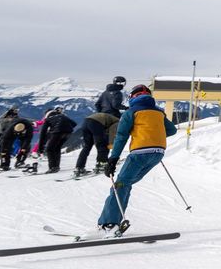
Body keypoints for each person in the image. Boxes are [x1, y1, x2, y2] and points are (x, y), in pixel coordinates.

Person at [97, 84, 177, 232]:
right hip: (158, 154)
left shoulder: (131, 112)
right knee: (125, 183)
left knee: (120, 185)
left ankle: (109, 224)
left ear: (132, 97)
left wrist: (113, 159)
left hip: (140, 153)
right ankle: (113, 220)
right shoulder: (159, 112)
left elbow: (121, 136)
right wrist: (152, 133)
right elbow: (172, 130)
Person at [75, 111, 119, 176]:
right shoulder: (118, 122)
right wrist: (110, 145)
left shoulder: (112, 118)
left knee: (87, 146)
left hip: (85, 122)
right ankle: (102, 164)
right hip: (95, 123)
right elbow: (111, 133)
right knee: (102, 145)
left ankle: (79, 167)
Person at [38, 107, 77, 173]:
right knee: (57, 148)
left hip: (57, 132)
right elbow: (74, 124)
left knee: (49, 149)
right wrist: (65, 127)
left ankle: (52, 167)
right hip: (68, 133)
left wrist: (40, 147)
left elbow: (43, 133)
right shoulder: (63, 116)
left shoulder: (48, 119)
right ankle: (57, 166)